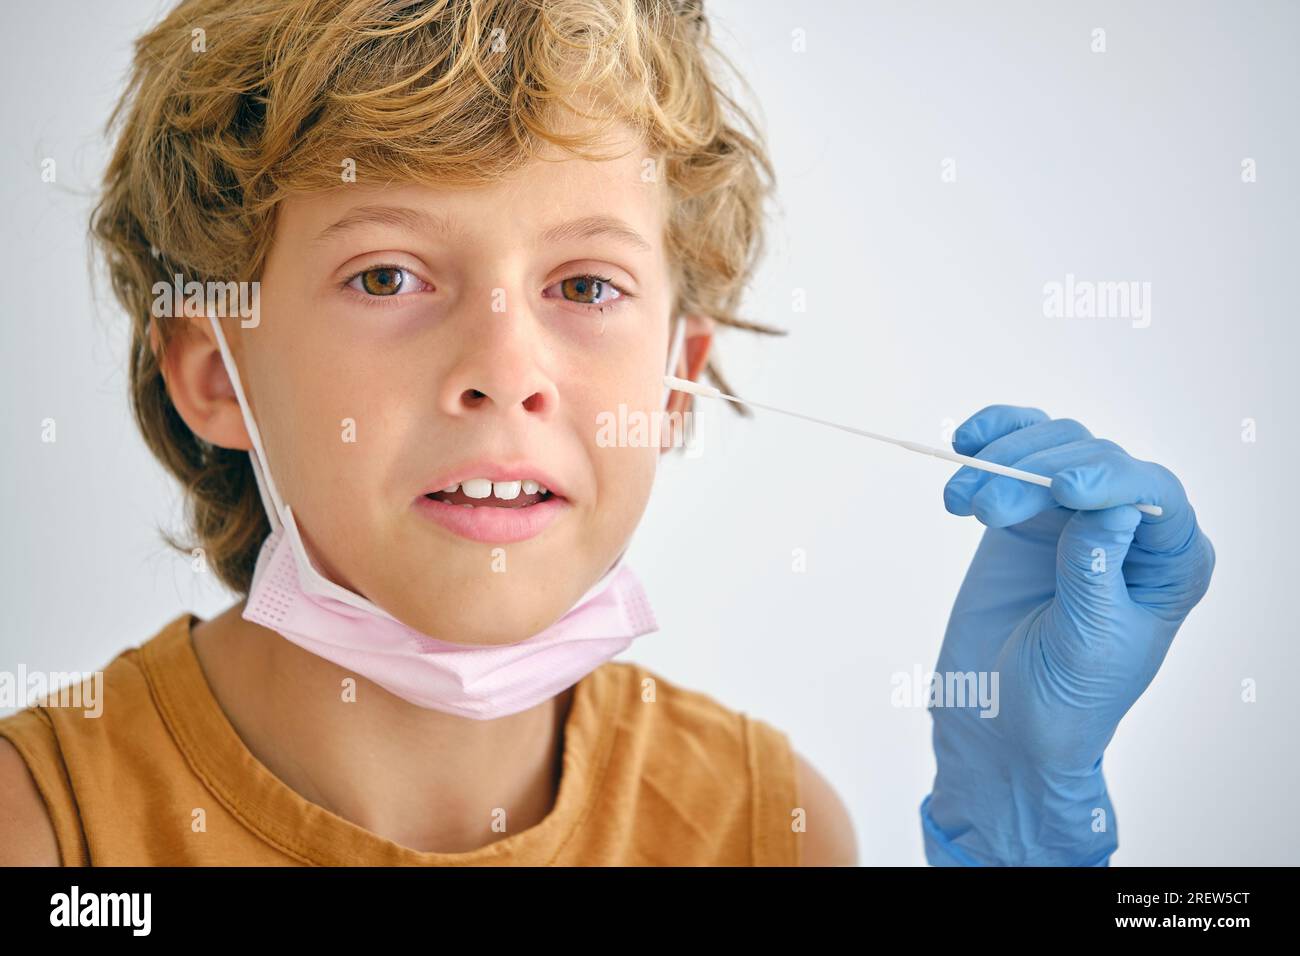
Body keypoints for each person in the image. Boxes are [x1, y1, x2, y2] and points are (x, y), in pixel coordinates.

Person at [0, 0, 1213, 867]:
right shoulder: (47, 823)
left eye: (584, 286)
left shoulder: (765, 824)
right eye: (386, 276)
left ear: (676, 381)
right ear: (217, 371)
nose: (504, 373)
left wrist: (1013, 841)